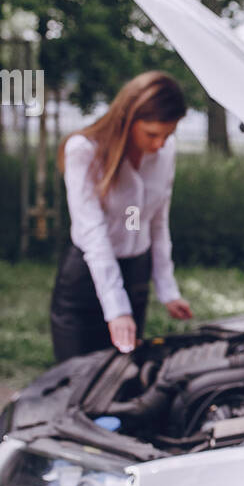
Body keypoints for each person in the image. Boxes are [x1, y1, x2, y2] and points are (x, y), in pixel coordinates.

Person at [49, 70, 195, 363]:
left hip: (136, 275)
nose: (159, 144)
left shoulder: (165, 153)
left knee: (121, 376)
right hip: (87, 280)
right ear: (128, 119)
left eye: (168, 135)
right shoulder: (85, 151)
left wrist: (167, 289)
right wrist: (116, 309)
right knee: (79, 381)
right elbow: (93, 233)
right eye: (152, 134)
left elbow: (157, 222)